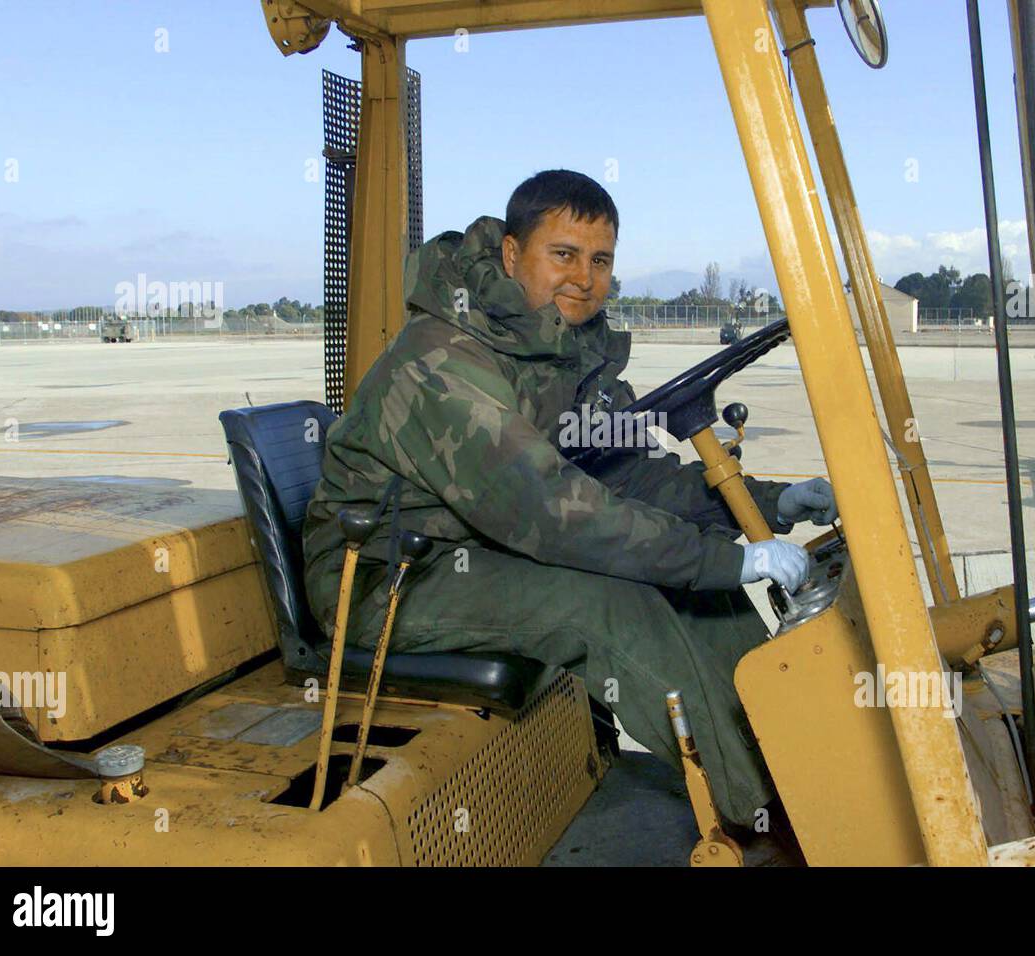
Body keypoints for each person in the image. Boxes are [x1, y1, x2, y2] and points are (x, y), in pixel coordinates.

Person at [303, 169, 836, 829]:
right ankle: (771, 816)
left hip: (486, 547)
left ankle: (813, 762)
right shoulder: (442, 361)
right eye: (563, 255)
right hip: (391, 575)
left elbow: (625, 475)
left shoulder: (561, 350)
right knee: (613, 603)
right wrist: (724, 558)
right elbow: (551, 511)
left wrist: (769, 505)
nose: (583, 278)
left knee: (704, 588)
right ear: (510, 255)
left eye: (600, 260)